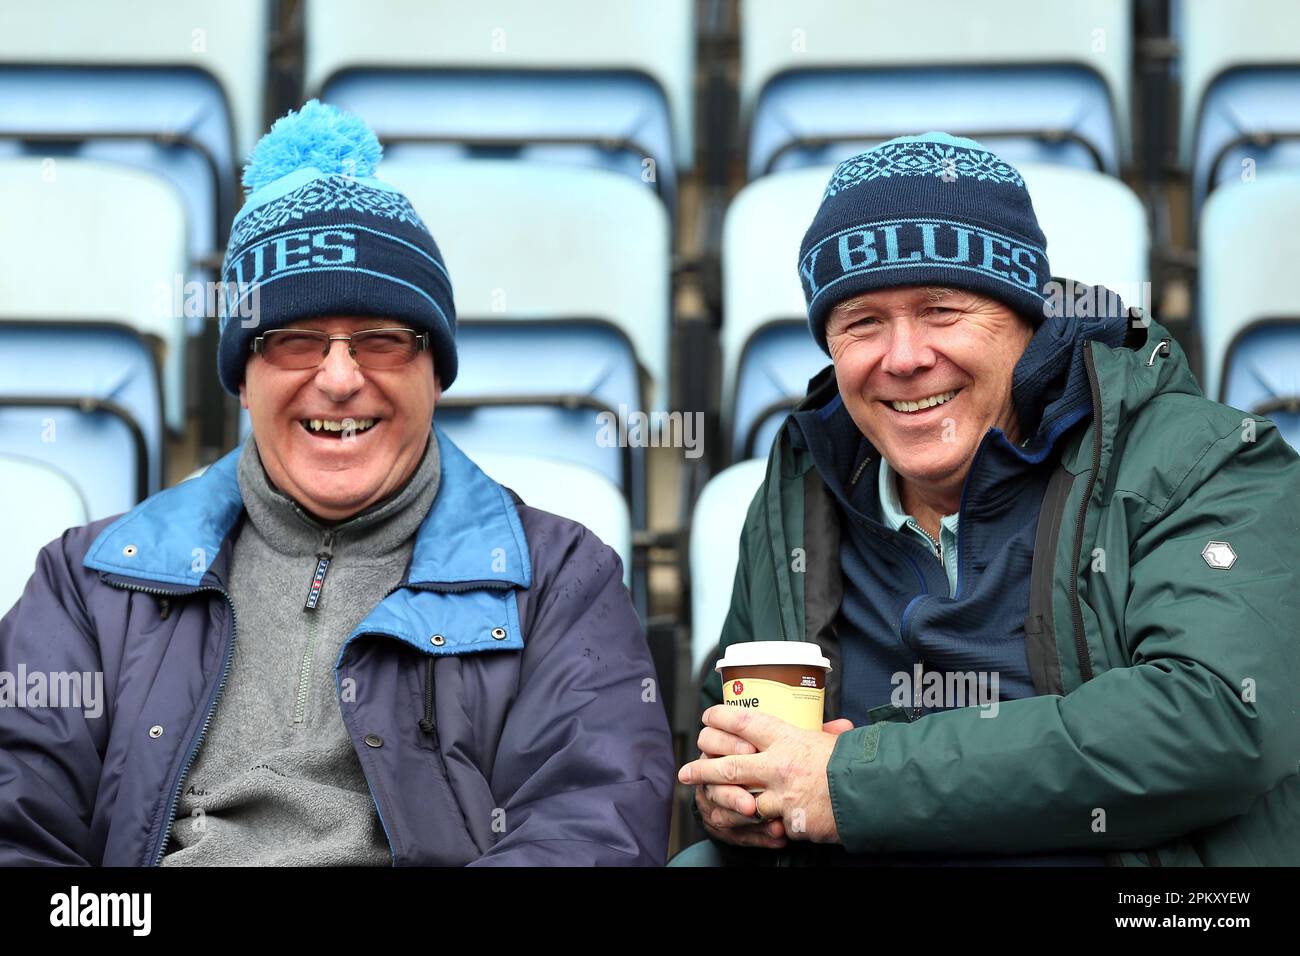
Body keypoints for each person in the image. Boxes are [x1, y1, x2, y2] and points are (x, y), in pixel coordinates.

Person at [0, 101, 674, 866]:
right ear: (243, 379)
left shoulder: (558, 581)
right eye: (295, 340)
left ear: (435, 374)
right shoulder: (90, 584)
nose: (341, 379)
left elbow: (591, 833)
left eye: (383, 340)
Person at [674, 132, 1300, 866]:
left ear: (1025, 320)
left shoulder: (1200, 459)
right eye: (862, 323)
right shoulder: (802, 485)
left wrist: (848, 782)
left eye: (941, 310)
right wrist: (734, 796)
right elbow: (735, 713)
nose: (904, 358)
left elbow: (1218, 718)